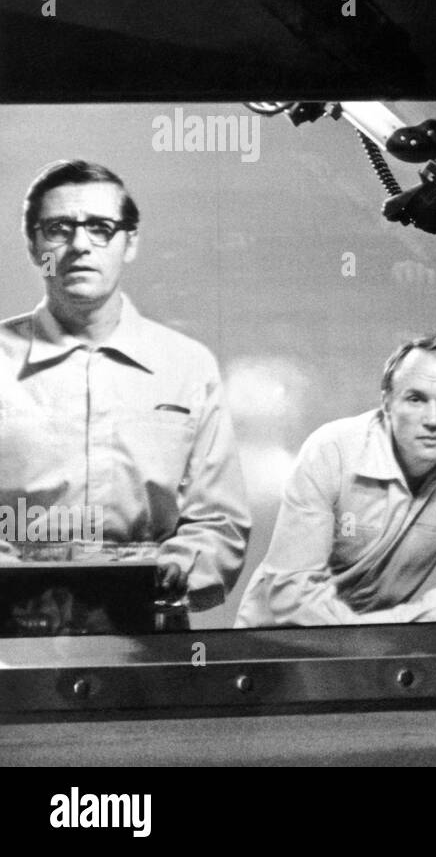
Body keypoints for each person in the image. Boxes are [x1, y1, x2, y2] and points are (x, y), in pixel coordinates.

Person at [0, 160, 250, 613]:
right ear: (35, 246)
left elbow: (219, 519)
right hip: (11, 623)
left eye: (100, 227)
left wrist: (177, 571)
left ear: (129, 242)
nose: (79, 245)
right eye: (58, 228)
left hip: (148, 624)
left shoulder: (187, 365)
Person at [236, 334, 436, 625]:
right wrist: (389, 632)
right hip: (274, 640)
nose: (432, 419)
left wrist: (377, 637)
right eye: (415, 399)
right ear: (386, 403)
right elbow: (294, 597)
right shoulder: (331, 450)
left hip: (378, 650)